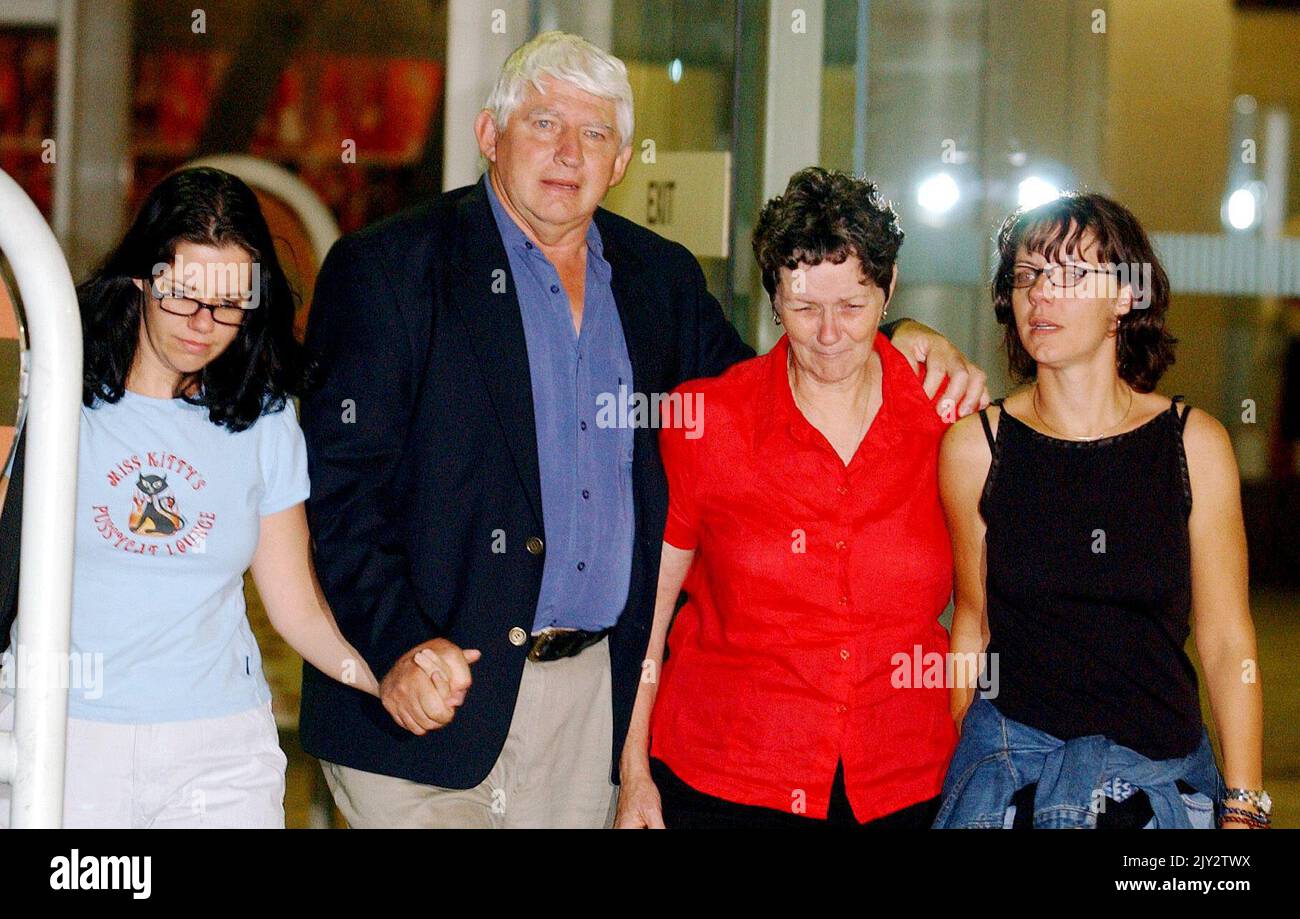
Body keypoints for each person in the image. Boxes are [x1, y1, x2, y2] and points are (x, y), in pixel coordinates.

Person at [299, 30, 990, 829]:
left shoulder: (658, 276)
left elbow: (770, 391)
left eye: (594, 134)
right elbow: (339, 494)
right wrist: (396, 647)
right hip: (429, 699)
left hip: (590, 700)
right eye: (543, 124)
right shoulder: (388, 268)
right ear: (490, 135)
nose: (568, 152)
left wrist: (895, 333)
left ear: (621, 162)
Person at [0, 166, 381, 828]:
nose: (204, 324)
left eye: (229, 302)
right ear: (143, 278)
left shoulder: (260, 416)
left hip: (218, 745)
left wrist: (388, 680)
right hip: (66, 733)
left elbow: (298, 609)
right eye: (183, 295)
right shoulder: (61, 394)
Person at [615, 168, 960, 829]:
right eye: (804, 307)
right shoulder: (706, 421)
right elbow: (647, 622)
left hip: (906, 781)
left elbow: (984, 614)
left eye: (852, 306)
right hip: (727, 778)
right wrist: (634, 775)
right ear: (773, 298)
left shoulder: (946, 420)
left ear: (888, 291)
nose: (829, 333)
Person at [933, 193, 1269, 829]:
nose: (1041, 294)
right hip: (1014, 783)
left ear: (1125, 296)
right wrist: (981, 757)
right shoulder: (977, 446)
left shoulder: (1194, 443)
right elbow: (973, 627)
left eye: (1070, 274)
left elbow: (1228, 642)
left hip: (1164, 784)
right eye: (1029, 275)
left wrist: (1245, 808)